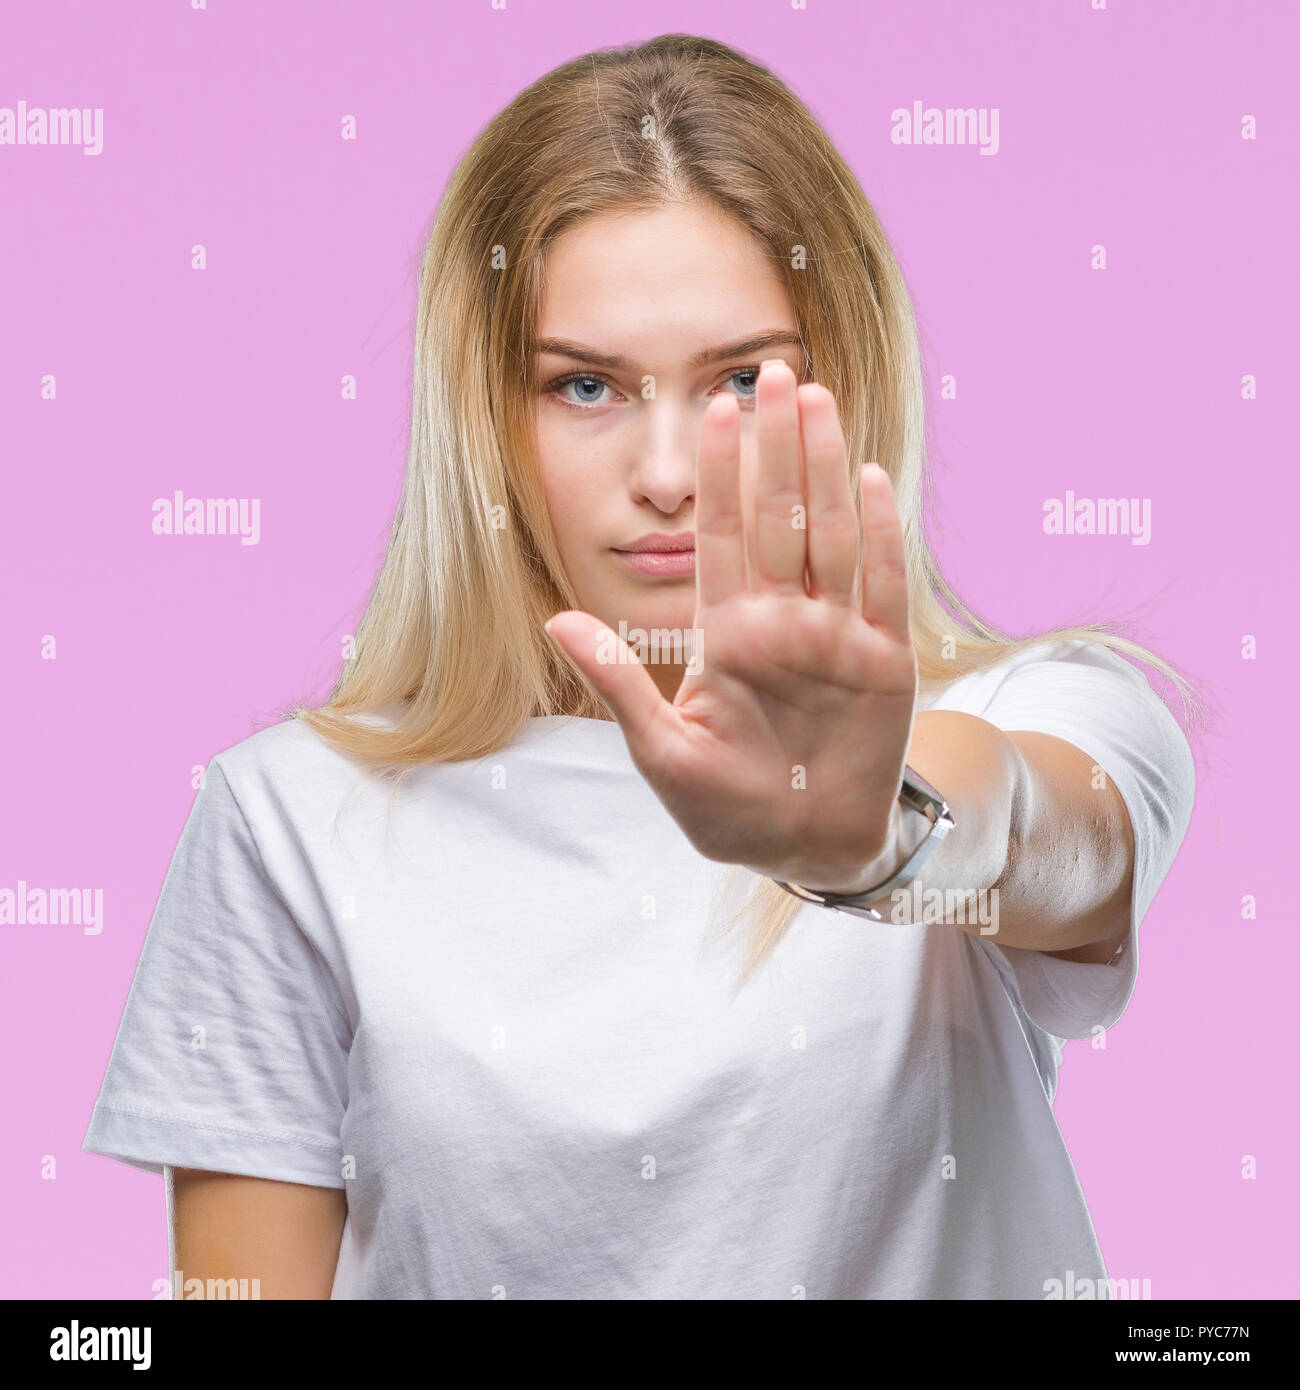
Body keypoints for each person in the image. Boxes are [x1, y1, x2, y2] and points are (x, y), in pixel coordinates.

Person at [82, 33, 1200, 1300]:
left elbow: (1058, 843)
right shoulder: (287, 818)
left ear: (847, 380)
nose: (669, 469)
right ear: (488, 417)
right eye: (587, 387)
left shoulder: (1042, 705)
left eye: (741, 376)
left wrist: (879, 839)